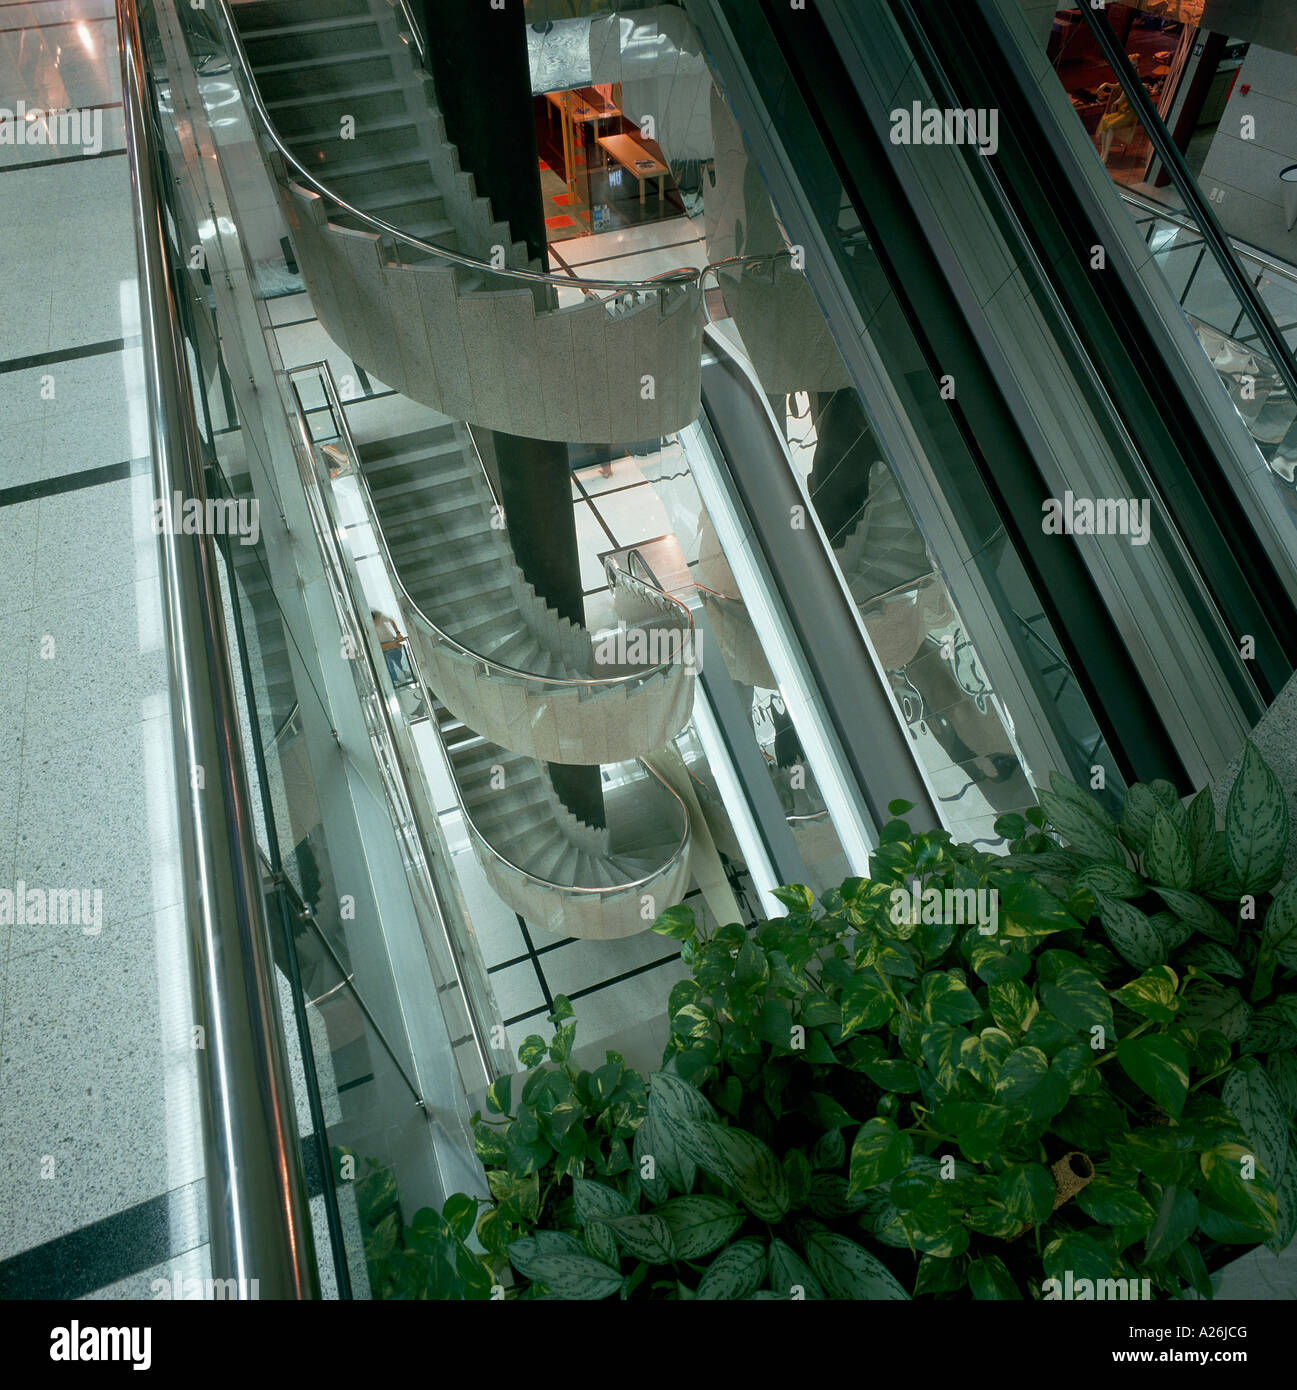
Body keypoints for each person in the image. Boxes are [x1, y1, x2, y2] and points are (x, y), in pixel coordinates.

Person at [371, 609, 412, 686]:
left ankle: (403, 672)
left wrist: (398, 633)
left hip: (391, 642)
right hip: (384, 647)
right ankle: (395, 681)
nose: (376, 623)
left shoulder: (378, 616)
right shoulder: (368, 629)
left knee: (398, 659)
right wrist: (393, 643)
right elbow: (379, 647)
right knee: (389, 664)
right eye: (374, 623)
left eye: (376, 622)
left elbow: (391, 620)